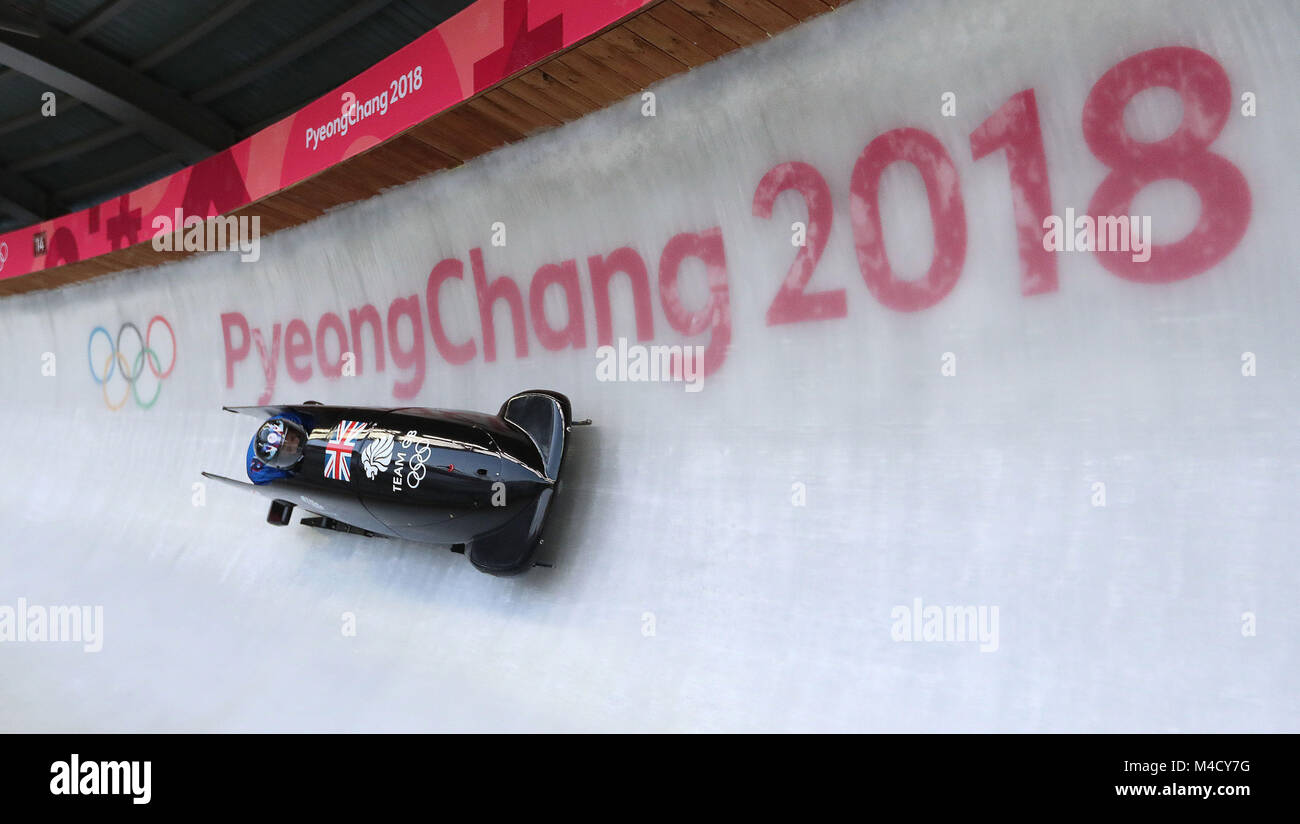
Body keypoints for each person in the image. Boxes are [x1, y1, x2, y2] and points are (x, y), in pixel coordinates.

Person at [247, 411, 310, 484]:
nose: (296, 446)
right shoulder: (263, 476)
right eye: (289, 449)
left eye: (292, 438)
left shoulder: (288, 419)